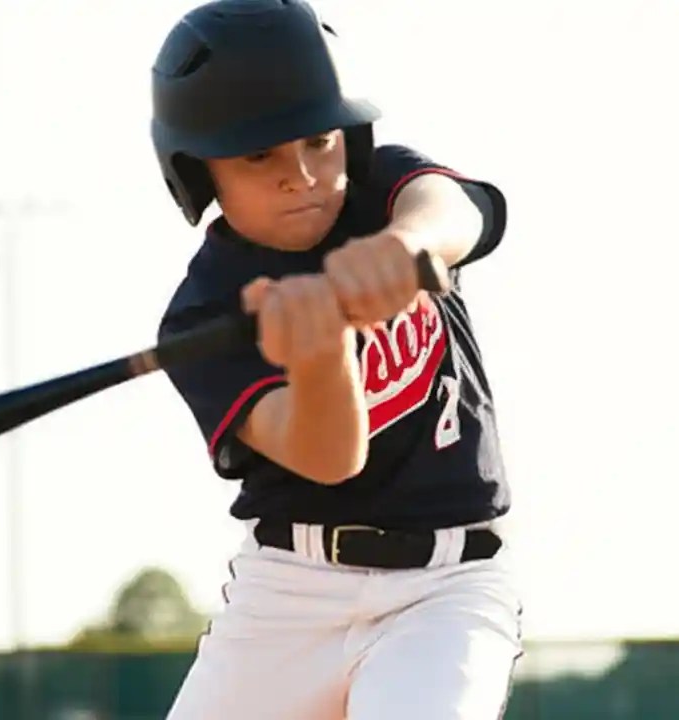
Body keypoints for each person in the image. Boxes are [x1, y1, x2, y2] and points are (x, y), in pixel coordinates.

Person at [151, 1, 520, 717]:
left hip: (447, 588)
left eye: (319, 140)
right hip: (288, 594)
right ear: (198, 174)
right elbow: (328, 457)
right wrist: (321, 354)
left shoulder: (385, 190)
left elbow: (458, 213)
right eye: (259, 154)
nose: (303, 174)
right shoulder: (203, 314)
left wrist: (404, 248)